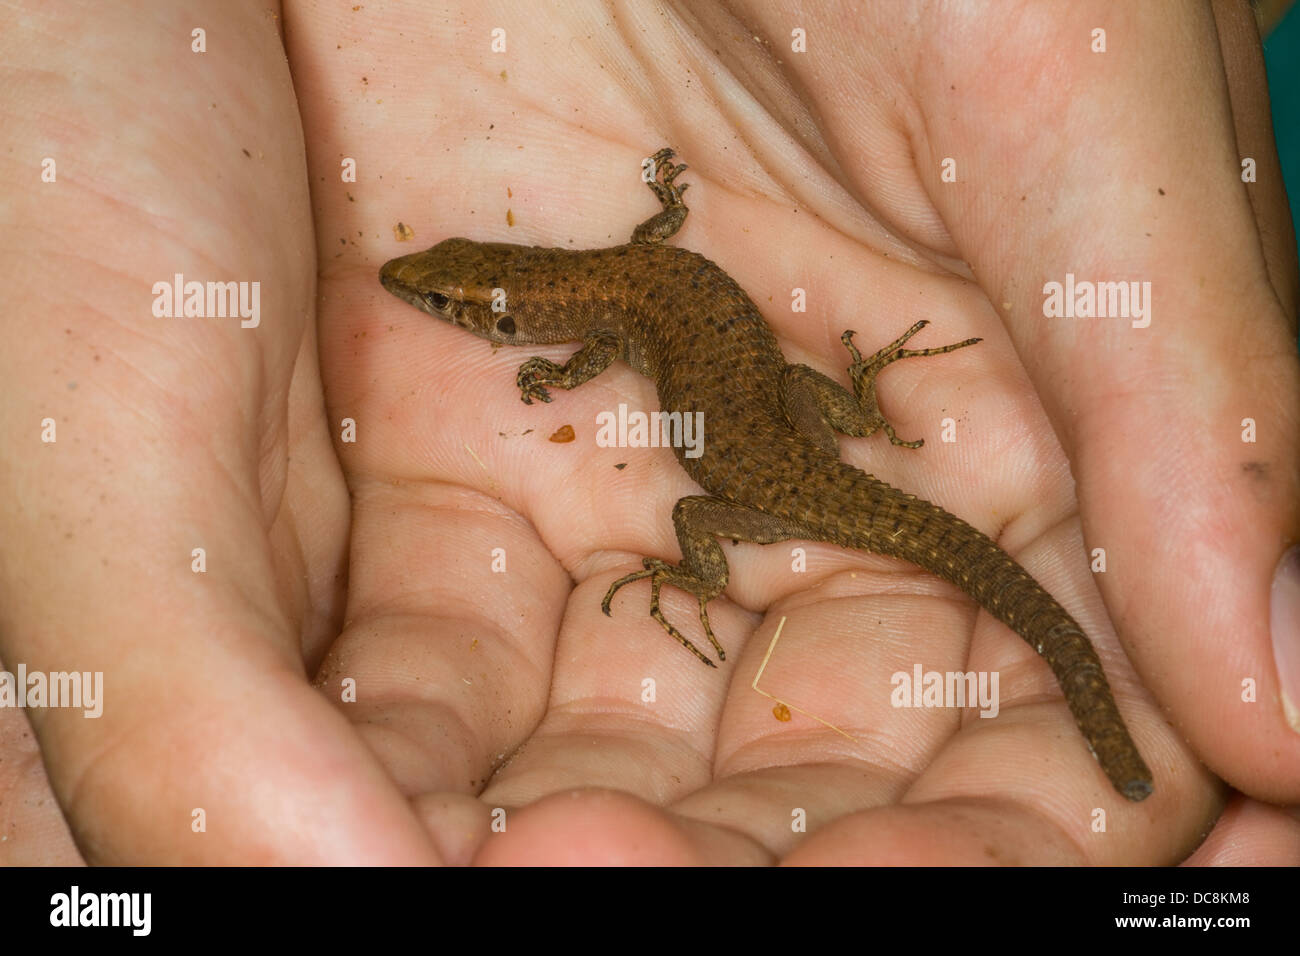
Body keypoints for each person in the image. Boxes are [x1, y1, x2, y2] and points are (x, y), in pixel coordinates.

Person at [0, 0, 1296, 864]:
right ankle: (872, 406)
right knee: (834, 441)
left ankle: (697, 572)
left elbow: (616, 339)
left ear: (506, 302)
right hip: (792, 432)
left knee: (687, 515)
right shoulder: (622, 269)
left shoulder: (605, 314)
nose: (426, 300)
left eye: (451, 300)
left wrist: (564, 399)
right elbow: (638, 291)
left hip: (755, 481)